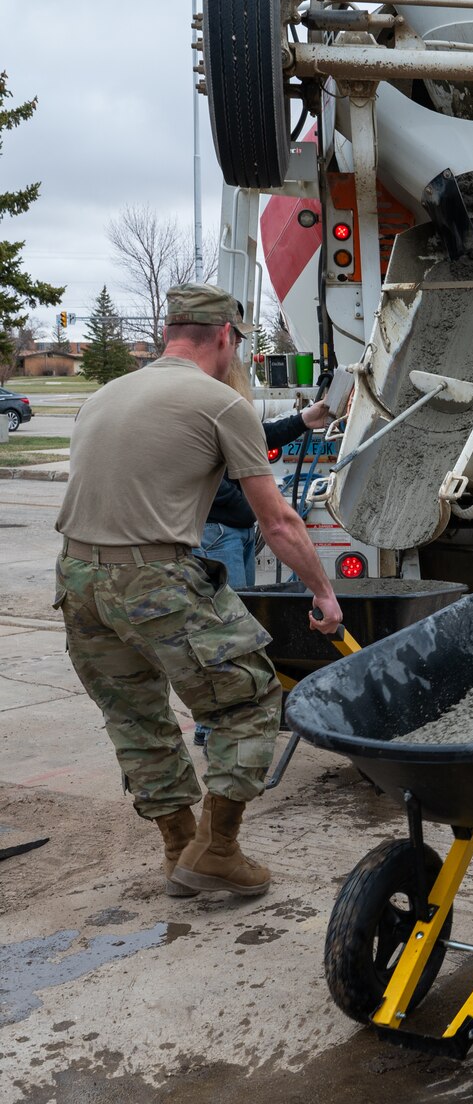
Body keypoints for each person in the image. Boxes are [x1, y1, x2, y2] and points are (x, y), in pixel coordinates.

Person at [54, 283, 344, 901]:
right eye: (236, 343)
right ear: (224, 337)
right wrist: (322, 592)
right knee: (251, 702)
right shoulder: (218, 402)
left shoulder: (105, 396)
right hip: (152, 578)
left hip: (77, 578)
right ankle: (217, 850)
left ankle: (178, 849)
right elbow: (278, 522)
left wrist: (300, 421)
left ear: (171, 333)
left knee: (137, 718)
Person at [192, 395, 333, 749]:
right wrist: (258, 507)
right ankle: (215, 728)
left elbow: (256, 437)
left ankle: (226, 721)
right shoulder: (197, 406)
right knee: (228, 633)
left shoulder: (221, 408)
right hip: (216, 532)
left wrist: (304, 420)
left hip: (232, 531)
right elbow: (211, 485)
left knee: (241, 624)